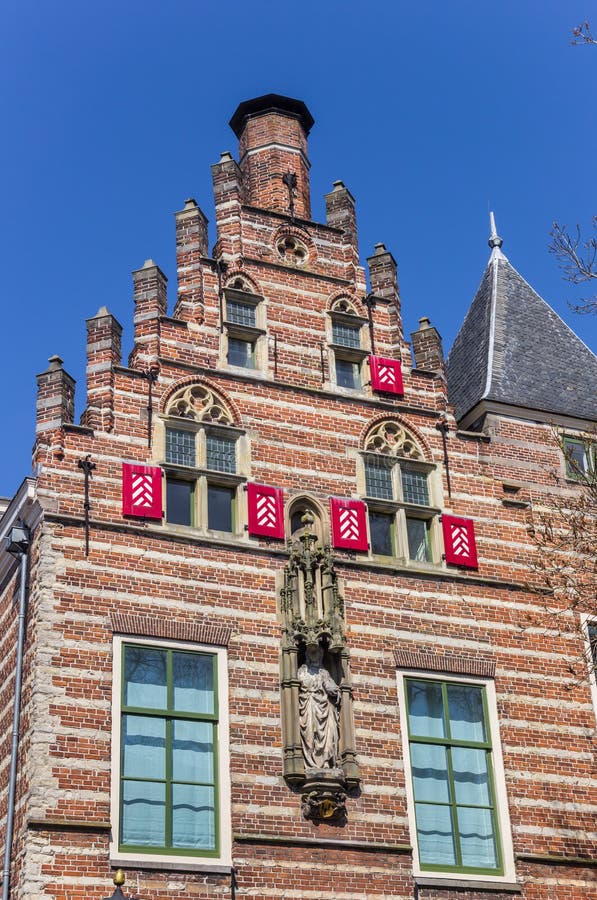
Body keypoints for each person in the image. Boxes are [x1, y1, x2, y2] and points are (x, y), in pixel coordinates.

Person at [298, 643, 340, 769]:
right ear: (307, 655)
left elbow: (332, 688)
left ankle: (326, 761)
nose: (314, 655)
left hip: (324, 708)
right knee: (309, 734)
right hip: (309, 705)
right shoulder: (302, 671)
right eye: (311, 653)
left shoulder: (324, 673)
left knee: (328, 734)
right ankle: (311, 762)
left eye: (316, 653)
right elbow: (298, 683)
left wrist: (334, 690)